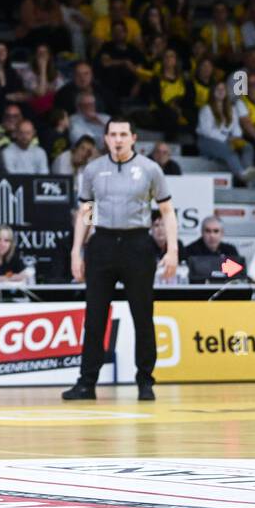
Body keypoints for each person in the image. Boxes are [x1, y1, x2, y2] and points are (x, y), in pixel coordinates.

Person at [66, 118, 177, 402]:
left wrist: (172, 250)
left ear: (133, 138)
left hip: (137, 243)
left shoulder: (150, 169)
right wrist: (77, 249)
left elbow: (166, 211)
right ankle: (86, 383)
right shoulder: (92, 170)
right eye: (113, 134)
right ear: (105, 139)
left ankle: (145, 382)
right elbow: (86, 211)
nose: (118, 139)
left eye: (123, 134)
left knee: (143, 315)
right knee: (94, 318)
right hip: (102, 243)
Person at [197, 81, 255, 184]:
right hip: (207, 141)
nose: (221, 91)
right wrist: (227, 139)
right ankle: (241, 174)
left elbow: (237, 128)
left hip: (228, 140)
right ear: (212, 92)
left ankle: (248, 170)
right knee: (229, 151)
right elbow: (207, 131)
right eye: (217, 89)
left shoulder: (231, 109)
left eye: (223, 89)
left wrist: (236, 138)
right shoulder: (207, 109)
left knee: (248, 147)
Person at [181, 215, 245, 284]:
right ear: (202, 232)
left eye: (216, 231)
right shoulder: (190, 251)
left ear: (222, 233)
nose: (212, 235)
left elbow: (238, 276)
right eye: (208, 231)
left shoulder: (230, 250)